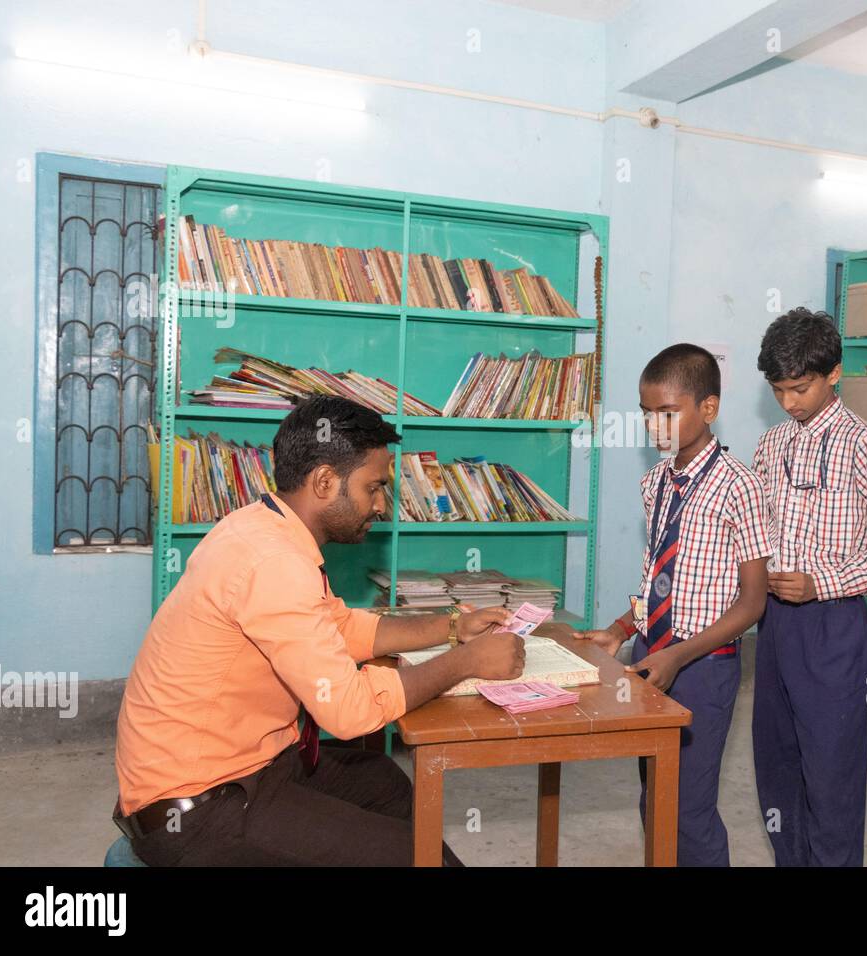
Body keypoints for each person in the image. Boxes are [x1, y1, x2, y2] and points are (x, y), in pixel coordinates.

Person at [114, 395, 525, 865]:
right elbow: (349, 711)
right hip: (198, 805)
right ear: (325, 482)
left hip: (251, 764)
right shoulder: (274, 562)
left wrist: (453, 627)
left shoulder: (263, 525)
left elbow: (342, 628)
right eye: (374, 487)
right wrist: (467, 662)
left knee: (384, 783)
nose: (382, 505)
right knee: (417, 857)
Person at [579, 344, 771, 866]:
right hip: (650, 655)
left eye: (667, 412)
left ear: (708, 408)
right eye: (645, 414)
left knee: (689, 807)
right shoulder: (655, 483)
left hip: (704, 666)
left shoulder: (741, 487)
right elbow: (661, 579)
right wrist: (621, 629)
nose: (654, 426)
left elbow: (753, 603)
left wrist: (678, 655)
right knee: (655, 795)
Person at [751, 308, 867, 866]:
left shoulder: (866, 445)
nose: (790, 402)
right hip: (773, 622)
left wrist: (821, 582)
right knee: (777, 760)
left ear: (835, 374)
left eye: (800, 388)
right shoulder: (771, 444)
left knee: (831, 767)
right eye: (779, 390)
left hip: (832, 624)